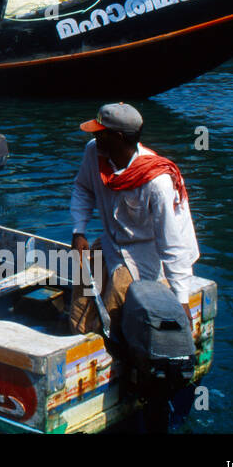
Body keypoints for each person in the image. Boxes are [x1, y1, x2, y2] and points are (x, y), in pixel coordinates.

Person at [67, 102, 199, 337]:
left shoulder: (156, 181)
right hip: (110, 243)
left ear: (117, 137)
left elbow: (173, 245)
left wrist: (182, 301)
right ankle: (79, 336)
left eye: (100, 132)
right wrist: (79, 230)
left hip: (144, 255)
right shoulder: (93, 152)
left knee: (115, 311)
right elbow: (82, 188)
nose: (94, 136)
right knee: (82, 297)